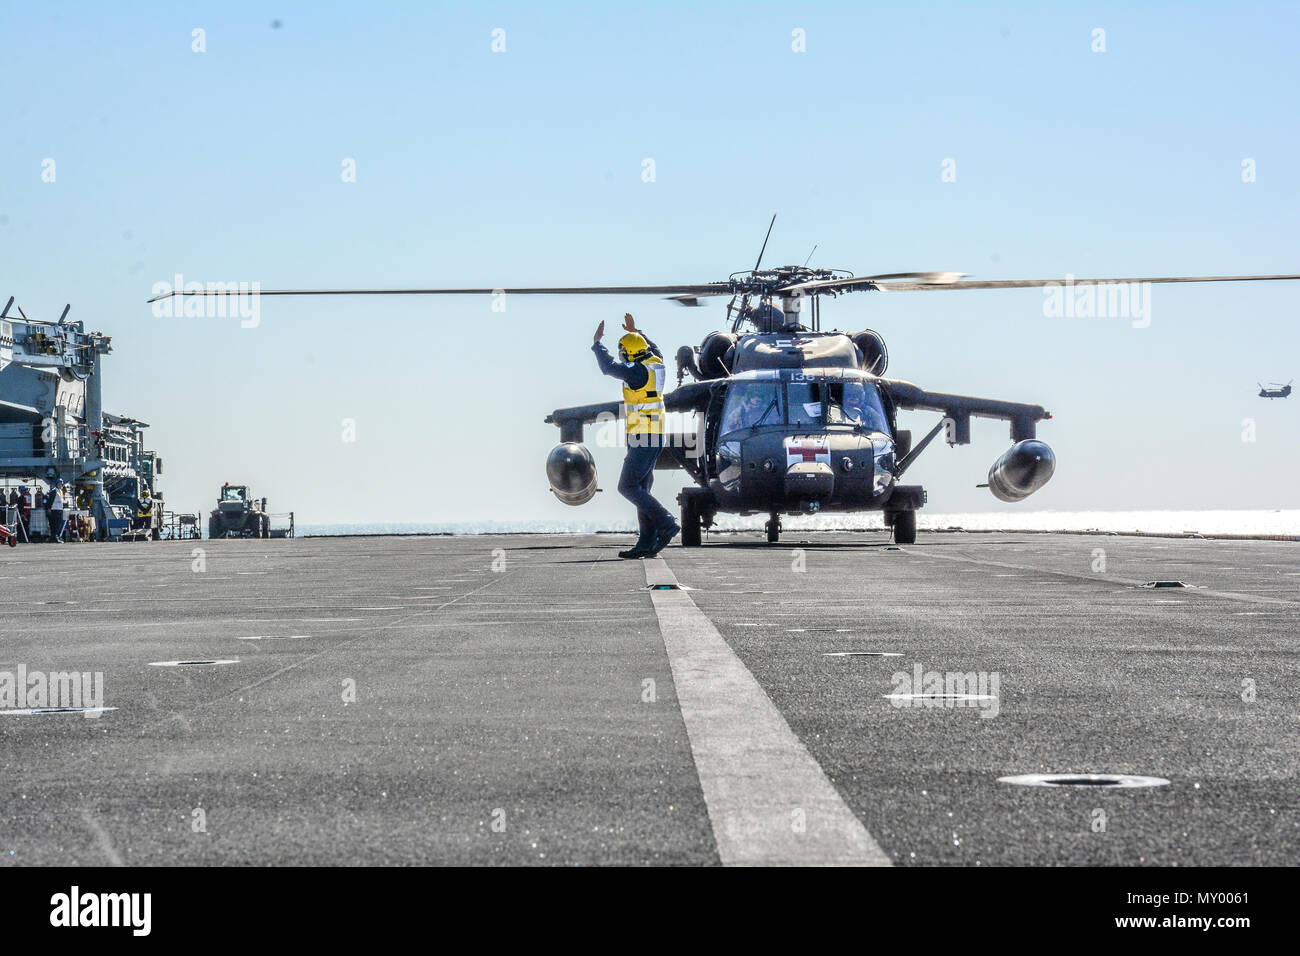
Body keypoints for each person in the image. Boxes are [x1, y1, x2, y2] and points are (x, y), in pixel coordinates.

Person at [592, 313, 680, 558]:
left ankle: (666, 522)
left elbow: (608, 368)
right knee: (641, 488)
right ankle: (647, 542)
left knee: (627, 486)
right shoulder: (655, 361)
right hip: (653, 434)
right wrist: (636, 331)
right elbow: (654, 347)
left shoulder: (637, 372)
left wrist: (598, 344)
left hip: (643, 435)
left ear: (629, 354)